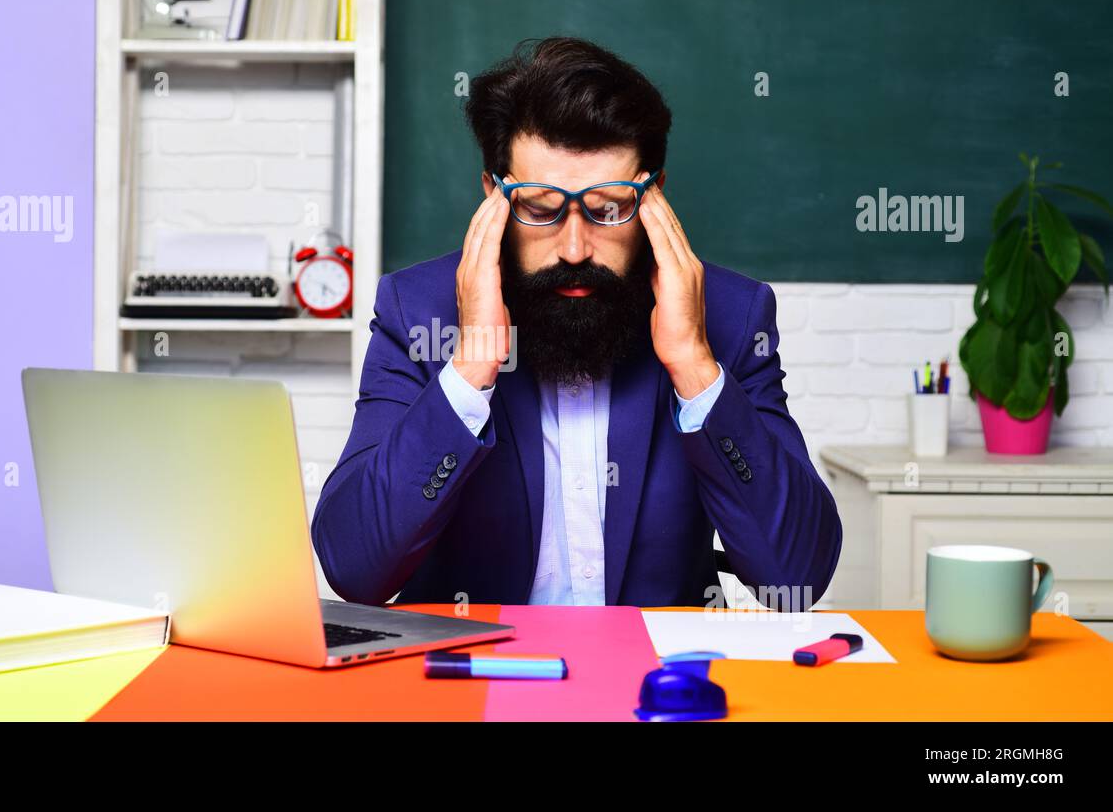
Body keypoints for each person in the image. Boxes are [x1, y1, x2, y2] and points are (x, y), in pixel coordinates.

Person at [311, 37, 842, 610]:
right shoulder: (418, 312)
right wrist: (469, 368)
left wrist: (693, 363)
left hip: (655, 685)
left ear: (654, 197)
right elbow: (355, 569)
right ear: (492, 195)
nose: (572, 247)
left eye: (609, 208)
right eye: (539, 209)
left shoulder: (732, 318)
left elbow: (798, 578)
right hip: (471, 680)